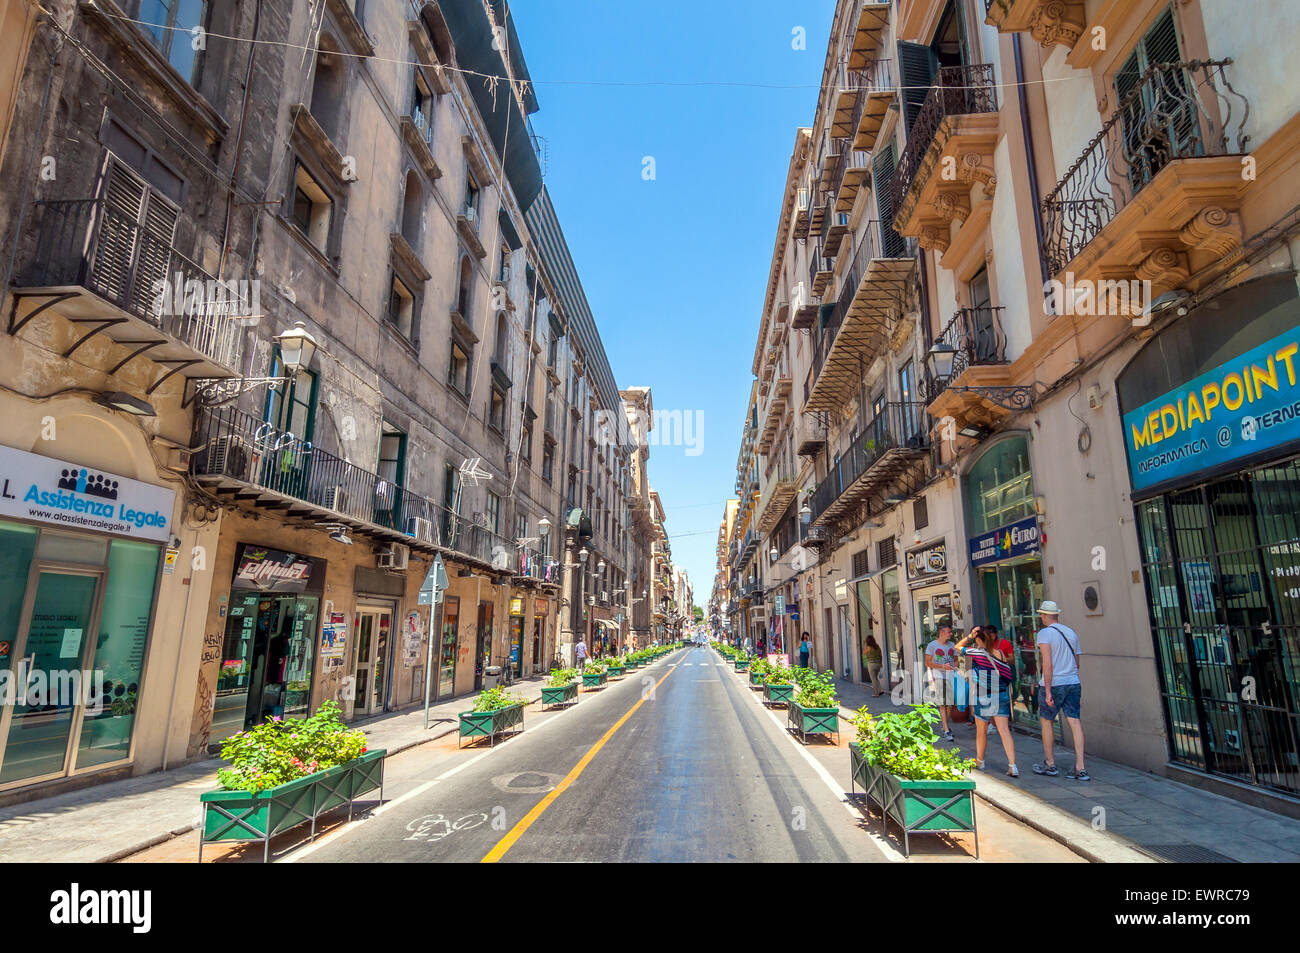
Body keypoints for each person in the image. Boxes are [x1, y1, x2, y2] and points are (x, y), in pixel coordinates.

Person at [1032, 600, 1088, 780]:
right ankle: (1080, 767)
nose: (1041, 617)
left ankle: (1050, 763)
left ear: (1045, 616)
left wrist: (1047, 690)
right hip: (1073, 681)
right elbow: (1077, 663)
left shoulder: (1044, 634)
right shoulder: (1071, 632)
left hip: (1054, 683)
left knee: (1047, 721)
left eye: (1041, 614)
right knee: (1075, 721)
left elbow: (1047, 663)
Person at [957, 626, 1019, 777]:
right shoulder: (1000, 653)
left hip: (984, 695)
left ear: (978, 639)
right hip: (1002, 694)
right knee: (1004, 731)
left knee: (981, 730)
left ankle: (980, 761)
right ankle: (1013, 765)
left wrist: (969, 637)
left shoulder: (978, 653)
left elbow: (957, 647)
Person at [925, 620, 960, 741]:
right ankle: (946, 730)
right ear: (942, 632)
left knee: (950, 704)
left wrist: (955, 665)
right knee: (943, 703)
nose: (950, 634)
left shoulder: (952, 645)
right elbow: (928, 662)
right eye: (949, 632)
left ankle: (945, 725)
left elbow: (956, 660)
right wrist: (942, 667)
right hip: (938, 676)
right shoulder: (932, 645)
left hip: (950, 676)